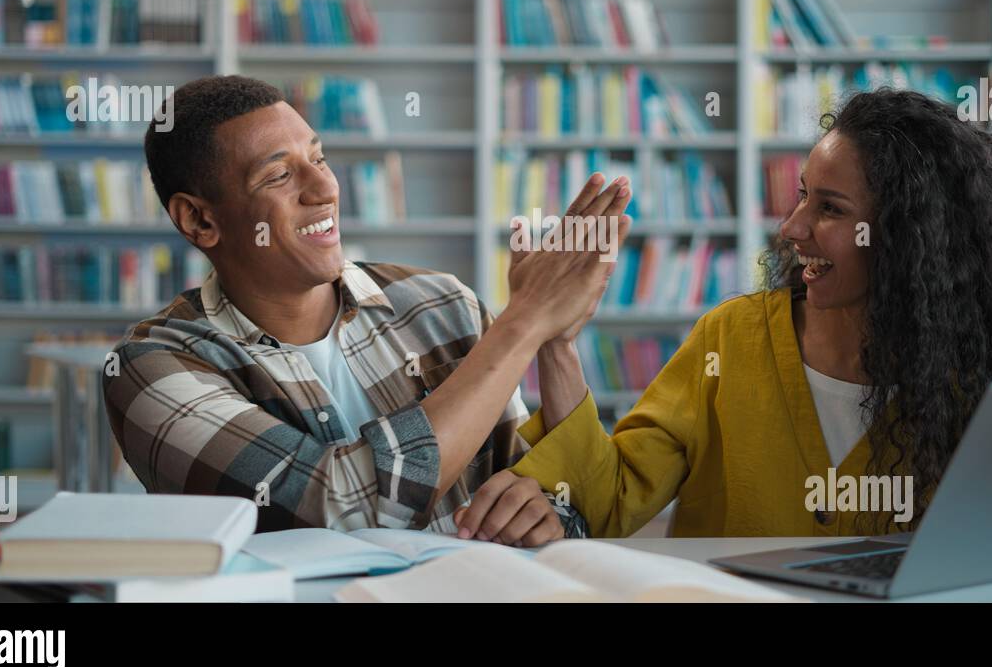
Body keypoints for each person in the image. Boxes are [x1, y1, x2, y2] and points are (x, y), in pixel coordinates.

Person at [456, 87, 992, 540]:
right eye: (803, 195)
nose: (792, 227)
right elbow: (610, 499)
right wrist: (554, 341)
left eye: (830, 209)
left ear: (909, 238)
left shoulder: (979, 374)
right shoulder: (731, 339)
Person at [103, 75, 631, 544]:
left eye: (318, 158)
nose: (325, 188)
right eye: (278, 176)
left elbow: (543, 489)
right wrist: (525, 322)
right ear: (198, 221)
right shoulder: (151, 368)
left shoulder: (443, 304)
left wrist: (549, 512)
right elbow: (338, 507)